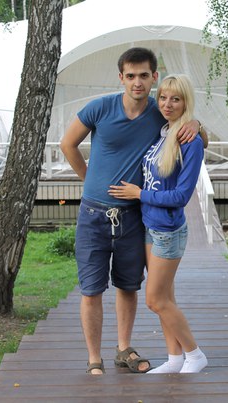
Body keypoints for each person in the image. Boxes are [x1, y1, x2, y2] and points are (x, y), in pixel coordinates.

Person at [60, 47, 205, 375]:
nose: (137, 82)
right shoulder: (100, 107)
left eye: (143, 76)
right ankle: (94, 359)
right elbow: (67, 144)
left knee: (129, 286)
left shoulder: (159, 110)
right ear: (121, 77)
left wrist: (197, 124)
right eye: (130, 76)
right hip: (94, 215)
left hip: (134, 216)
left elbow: (188, 127)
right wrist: (89, 180)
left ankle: (123, 349)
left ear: (154, 77)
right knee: (91, 288)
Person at [108, 74, 208, 374]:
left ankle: (195, 355)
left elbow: (180, 196)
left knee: (155, 300)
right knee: (166, 298)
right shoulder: (163, 131)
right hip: (150, 227)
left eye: (175, 99)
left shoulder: (189, 142)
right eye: (163, 97)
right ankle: (175, 359)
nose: (167, 104)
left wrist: (139, 194)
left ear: (186, 102)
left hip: (168, 231)